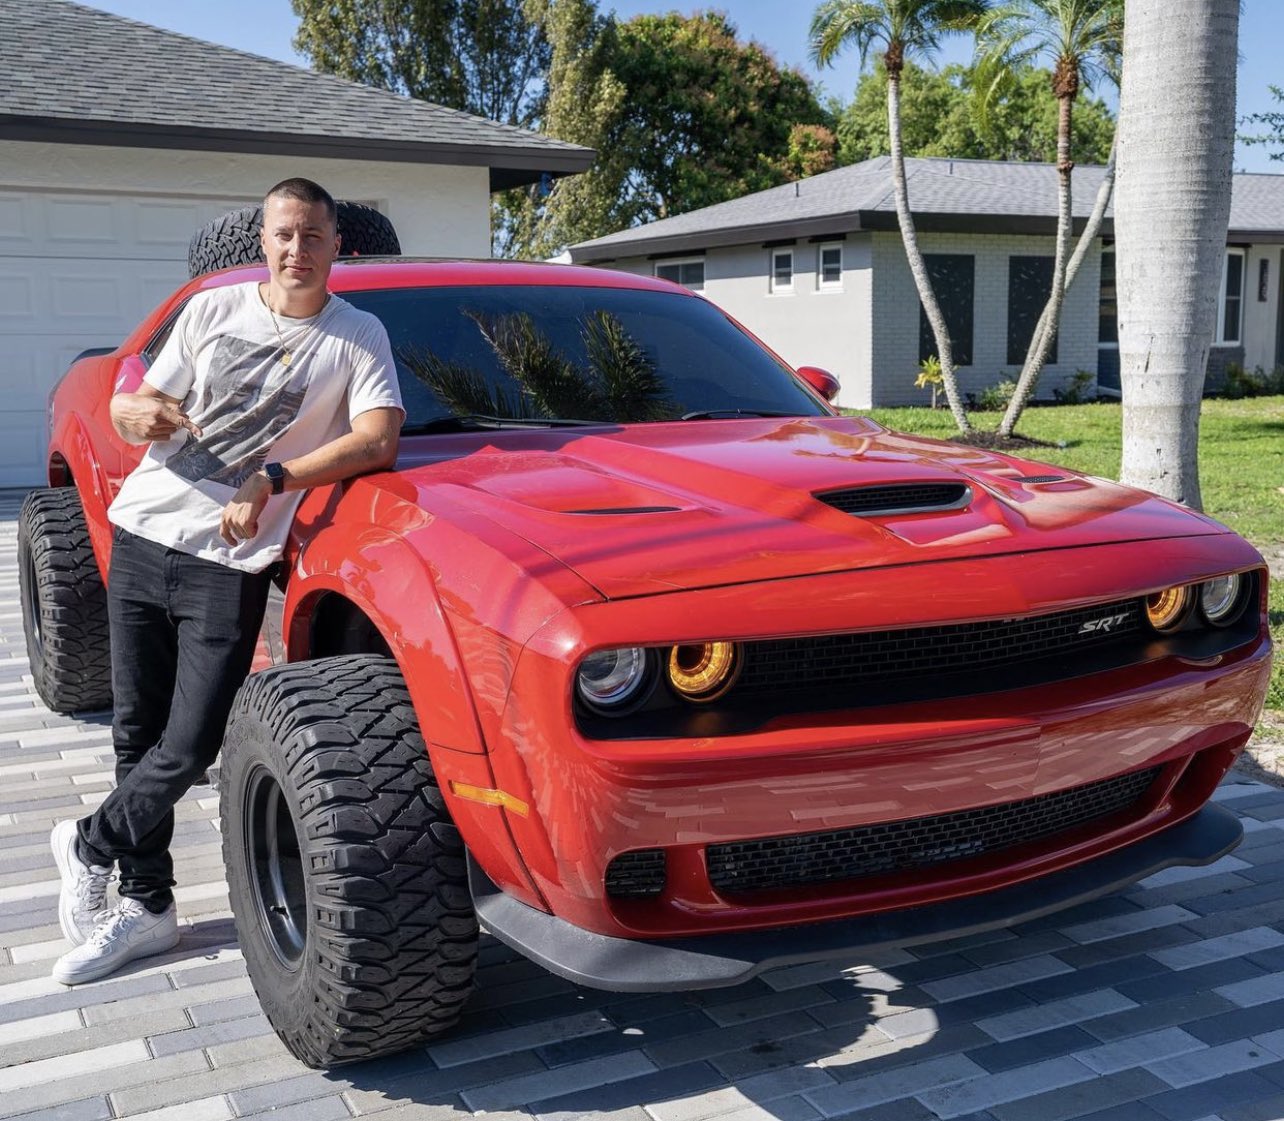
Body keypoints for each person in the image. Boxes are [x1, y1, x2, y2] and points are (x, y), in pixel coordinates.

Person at [49, 177, 404, 985]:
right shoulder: (211, 311)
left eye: (313, 236)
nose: (297, 250)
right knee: (136, 736)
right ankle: (147, 904)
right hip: (144, 532)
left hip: (230, 560)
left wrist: (274, 477)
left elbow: (377, 438)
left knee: (194, 740)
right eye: (284, 234)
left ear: (336, 245)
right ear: (264, 242)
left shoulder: (358, 335)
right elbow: (132, 408)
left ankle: (87, 842)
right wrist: (140, 416)